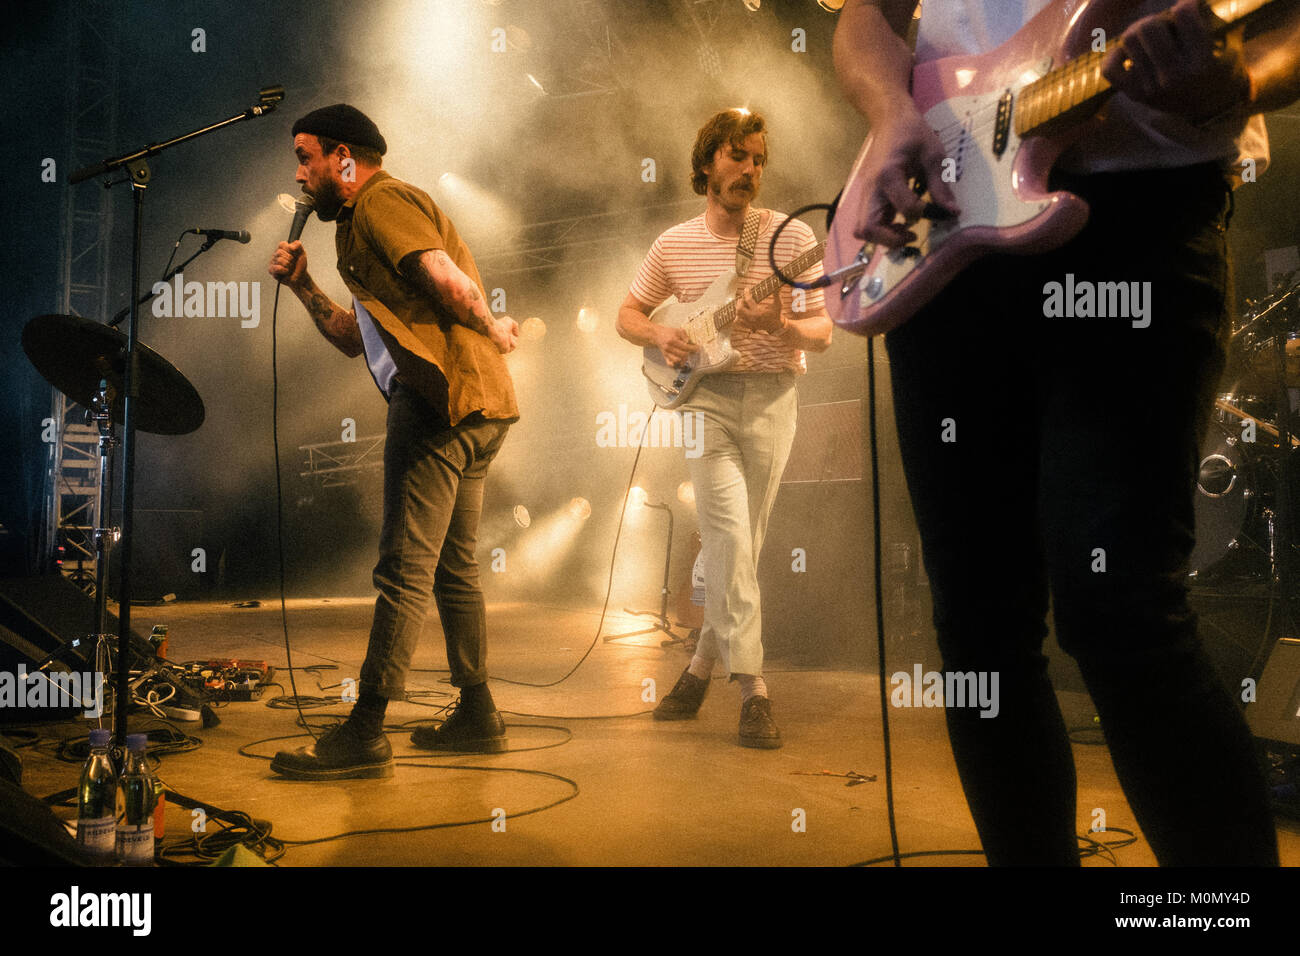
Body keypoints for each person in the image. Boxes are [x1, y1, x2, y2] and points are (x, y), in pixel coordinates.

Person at [833, 0, 1300, 864]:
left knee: (1121, 609)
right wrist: (895, 115)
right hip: (950, 225)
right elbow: (866, 17)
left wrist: (1233, 75)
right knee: (976, 626)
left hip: (1139, 222)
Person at [266, 104, 520, 780]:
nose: (298, 174)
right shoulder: (357, 228)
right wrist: (303, 286)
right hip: (478, 406)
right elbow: (356, 339)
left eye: (306, 156)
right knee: (453, 568)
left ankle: (366, 729)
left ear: (343, 157)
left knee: (404, 566)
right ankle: (477, 713)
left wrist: (490, 324)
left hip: (439, 403)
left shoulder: (381, 202)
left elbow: (441, 275)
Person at [616, 108, 832, 749]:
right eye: (739, 156)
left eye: (760, 160)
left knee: (741, 544)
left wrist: (782, 328)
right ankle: (754, 691)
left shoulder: (790, 240)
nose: (751, 170)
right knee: (730, 538)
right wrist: (663, 332)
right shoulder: (673, 244)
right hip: (702, 404)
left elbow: (822, 332)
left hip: (772, 399)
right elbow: (625, 314)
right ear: (708, 161)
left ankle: (697, 669)